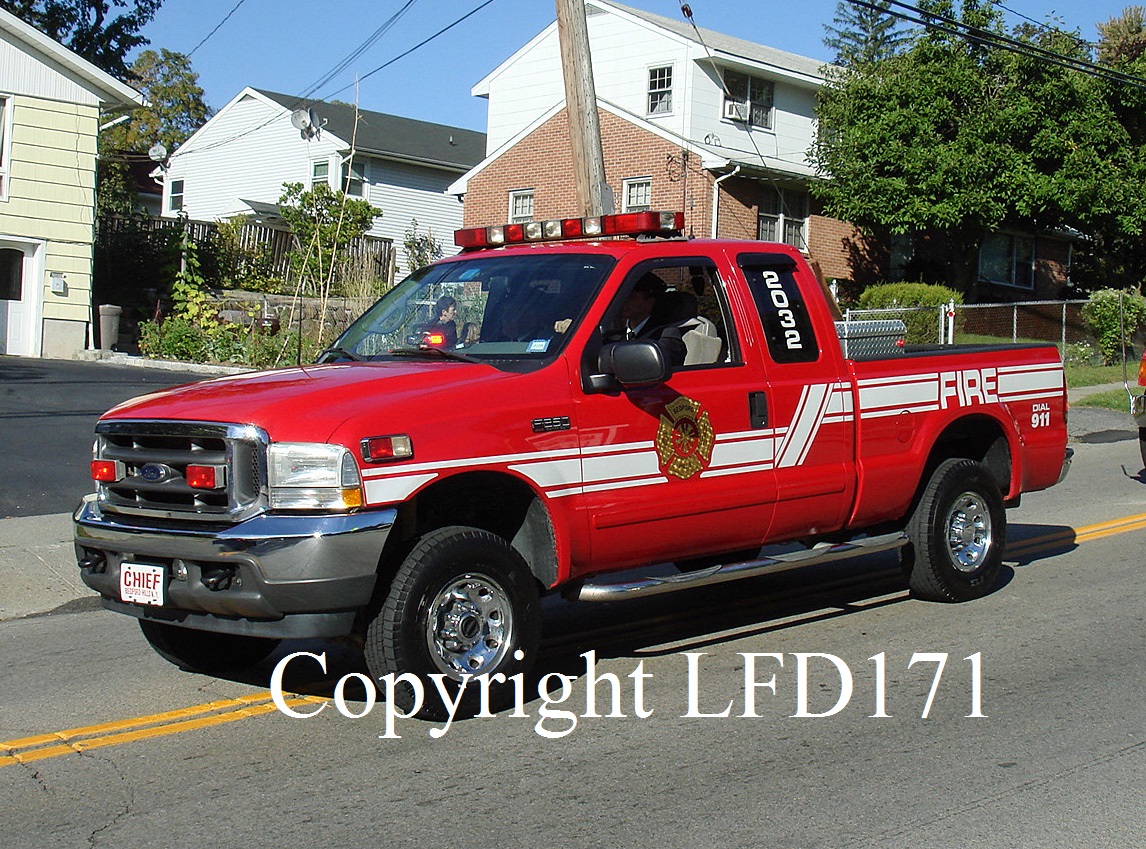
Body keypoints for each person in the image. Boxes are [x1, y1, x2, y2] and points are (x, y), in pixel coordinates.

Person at [619, 273, 687, 366]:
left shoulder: (664, 339)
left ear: (650, 302)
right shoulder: (612, 334)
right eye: (623, 295)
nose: (624, 300)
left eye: (632, 296)